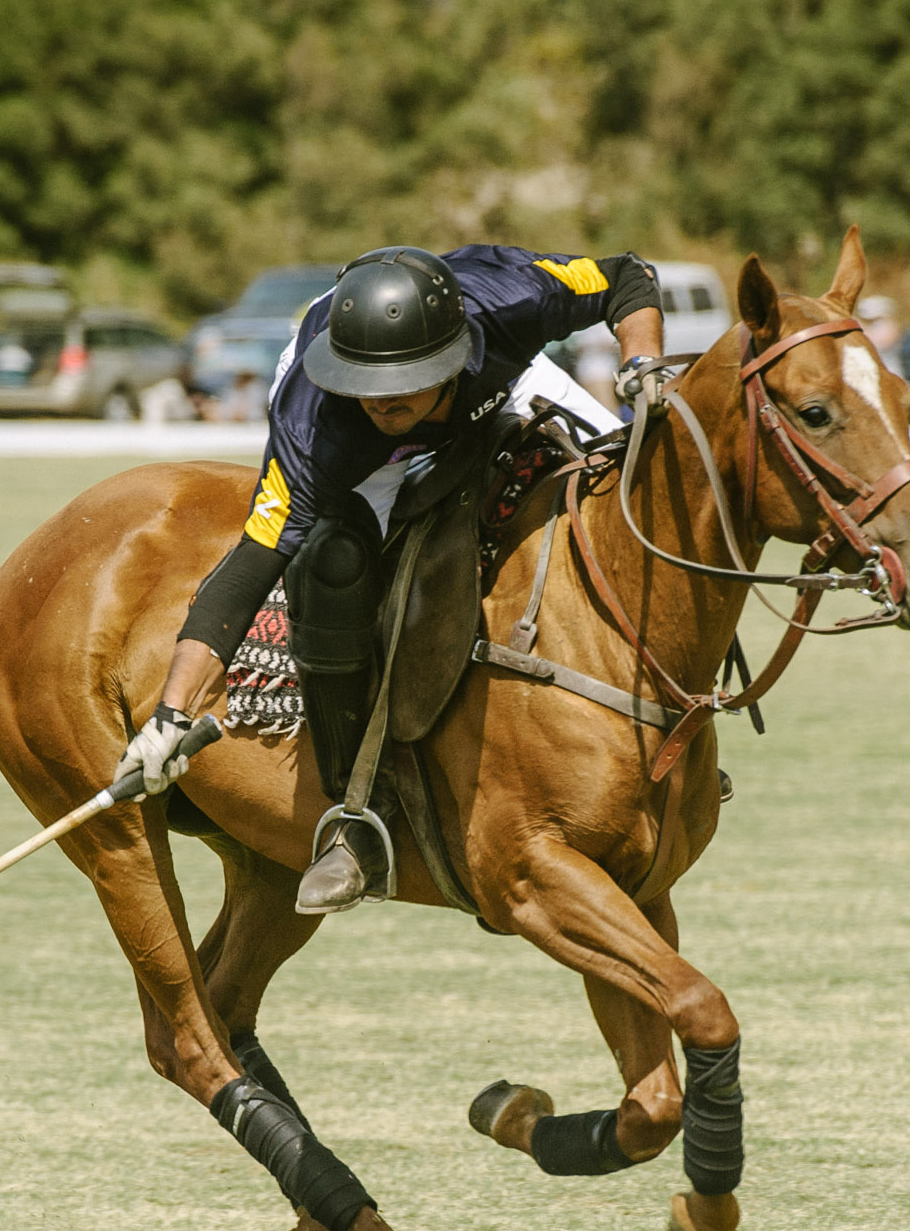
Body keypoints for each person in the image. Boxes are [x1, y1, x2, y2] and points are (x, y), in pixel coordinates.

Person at [119, 244, 665, 915]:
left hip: (505, 382)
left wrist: (642, 366)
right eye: (367, 387)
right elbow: (247, 572)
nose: (379, 401)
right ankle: (355, 816)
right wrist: (170, 718)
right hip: (356, 437)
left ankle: (670, 722)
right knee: (335, 560)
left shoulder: (510, 298)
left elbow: (628, 278)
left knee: (628, 476)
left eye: (401, 385)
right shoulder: (320, 421)